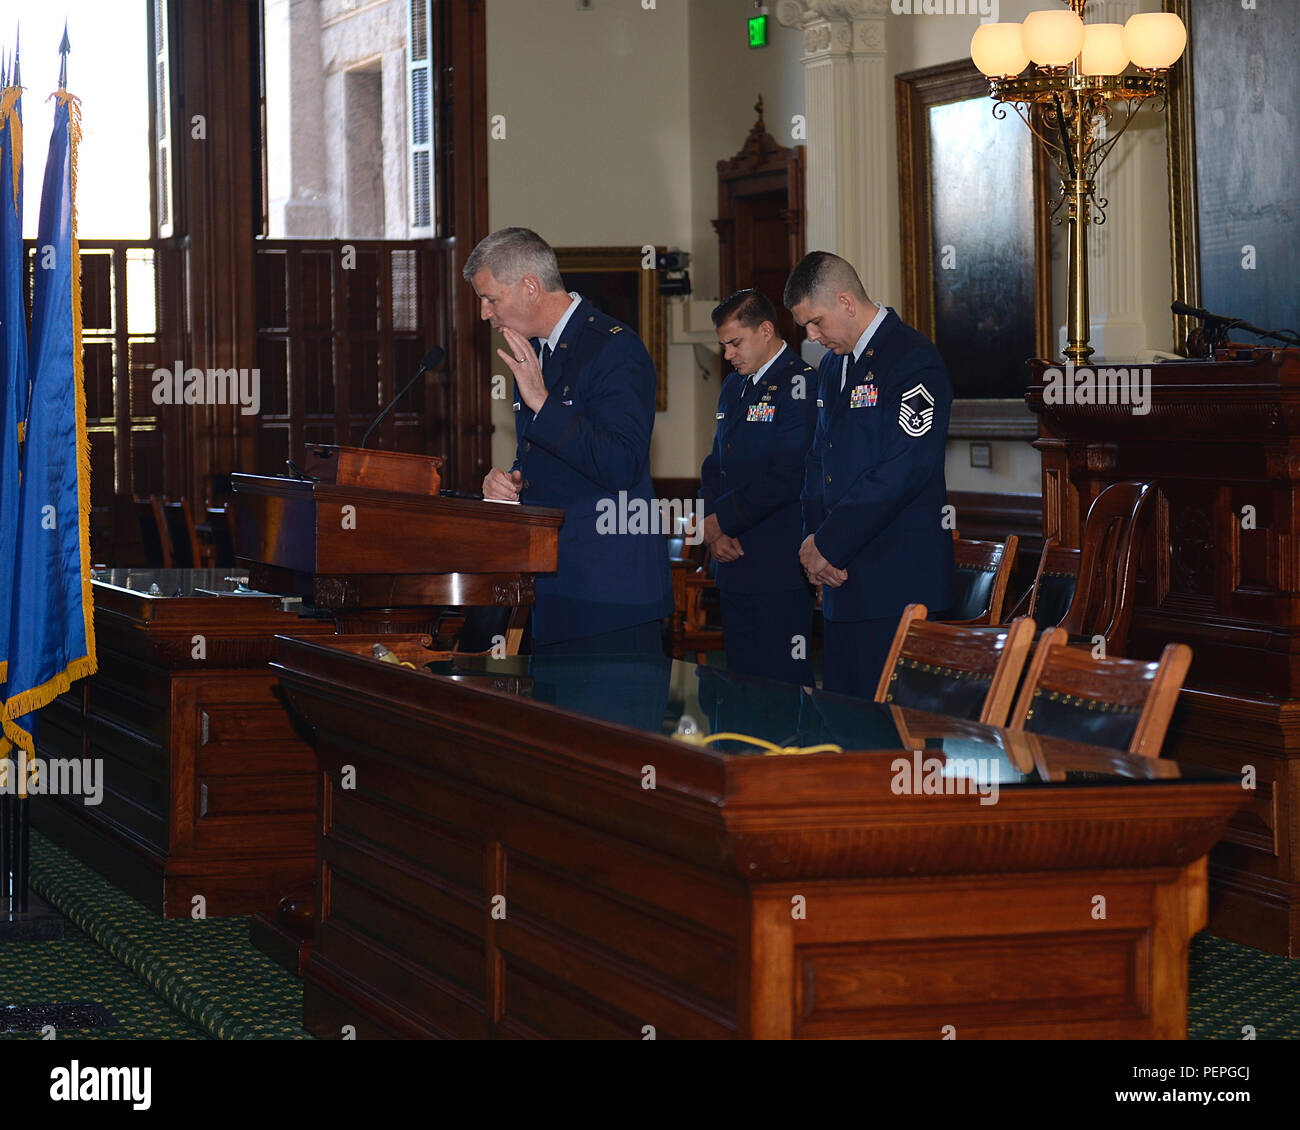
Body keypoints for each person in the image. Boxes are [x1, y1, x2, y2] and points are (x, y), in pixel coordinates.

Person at [464, 227, 671, 654]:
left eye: (491, 298)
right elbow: (553, 456)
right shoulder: (537, 351)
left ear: (530, 287)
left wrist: (542, 401)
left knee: (607, 722)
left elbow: (621, 465)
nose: (485, 313)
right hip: (555, 589)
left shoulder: (615, 350)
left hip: (609, 594)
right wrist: (512, 481)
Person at [785, 251, 955, 697]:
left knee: (900, 741)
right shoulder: (832, 367)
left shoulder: (913, 358)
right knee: (848, 734)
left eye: (816, 322)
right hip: (842, 580)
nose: (812, 335)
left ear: (845, 301)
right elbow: (818, 461)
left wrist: (829, 543)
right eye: (805, 325)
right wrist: (814, 546)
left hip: (898, 583)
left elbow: (904, 468)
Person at [699, 290, 817, 684]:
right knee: (739, 685)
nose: (728, 354)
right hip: (733, 563)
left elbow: (789, 473)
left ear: (766, 330)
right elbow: (716, 464)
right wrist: (710, 524)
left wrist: (722, 522)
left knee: (781, 687)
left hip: (778, 563)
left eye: (735, 343)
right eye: (724, 345)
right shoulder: (734, 387)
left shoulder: (800, 384)